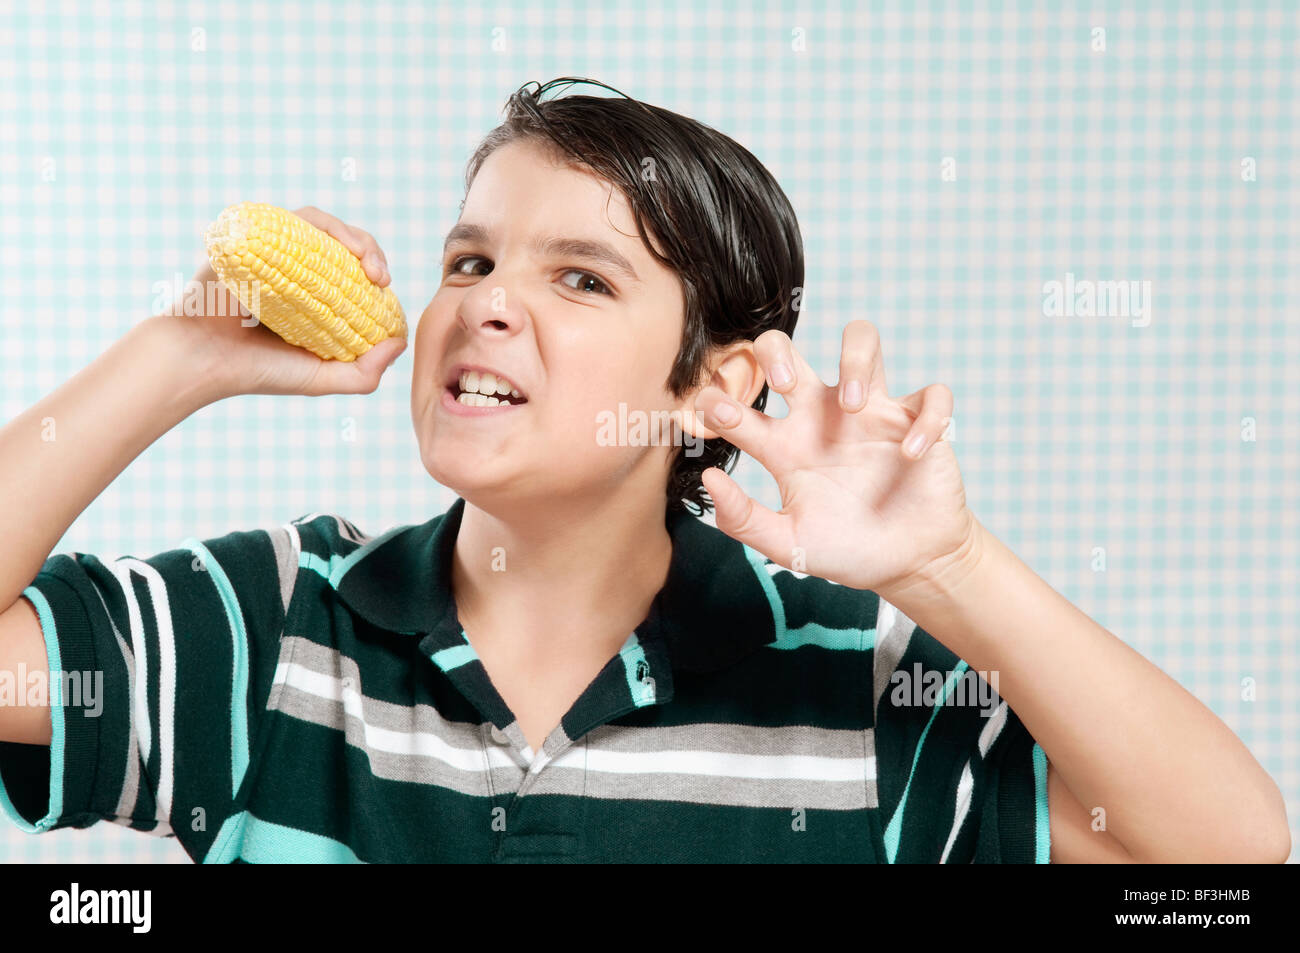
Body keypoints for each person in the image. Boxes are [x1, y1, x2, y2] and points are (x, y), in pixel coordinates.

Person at [0, 78, 1289, 863]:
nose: (488, 305)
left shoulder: (857, 687)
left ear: (710, 388)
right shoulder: (275, 628)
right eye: (469, 260)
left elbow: (1225, 852)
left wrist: (950, 567)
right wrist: (173, 354)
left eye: (579, 276)